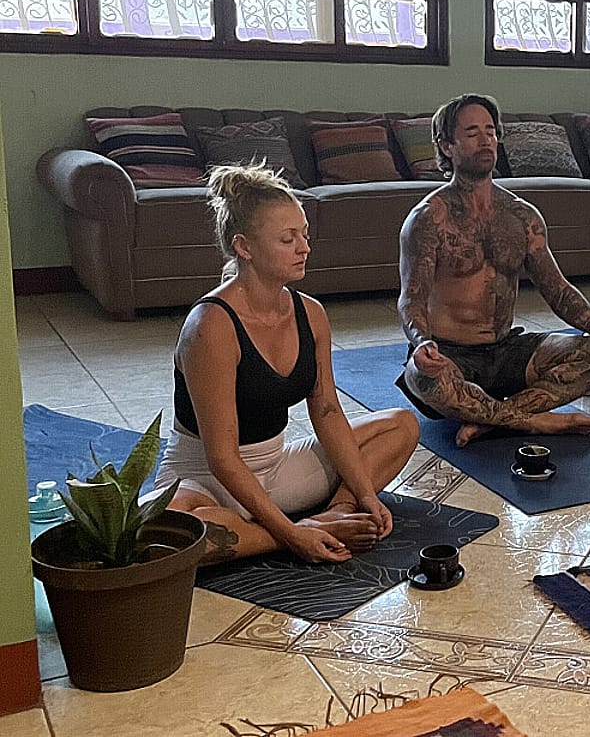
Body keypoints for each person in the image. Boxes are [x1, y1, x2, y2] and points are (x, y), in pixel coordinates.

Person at [156, 164, 420, 565]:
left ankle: (339, 513)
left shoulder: (310, 314)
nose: (304, 248)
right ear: (244, 246)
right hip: (206, 481)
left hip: (278, 470)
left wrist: (365, 494)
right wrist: (291, 533)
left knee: (401, 425)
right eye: (287, 238)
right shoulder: (210, 326)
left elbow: (328, 411)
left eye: (305, 235)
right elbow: (222, 459)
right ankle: (304, 531)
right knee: (168, 534)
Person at [397, 94, 590, 446]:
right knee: (422, 379)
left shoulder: (522, 216)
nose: (485, 140)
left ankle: (491, 419)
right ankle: (533, 422)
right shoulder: (427, 220)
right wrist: (423, 345)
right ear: (446, 146)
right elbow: (412, 300)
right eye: (471, 132)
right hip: (449, 357)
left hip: (507, 352)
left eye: (490, 131)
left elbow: (555, 288)